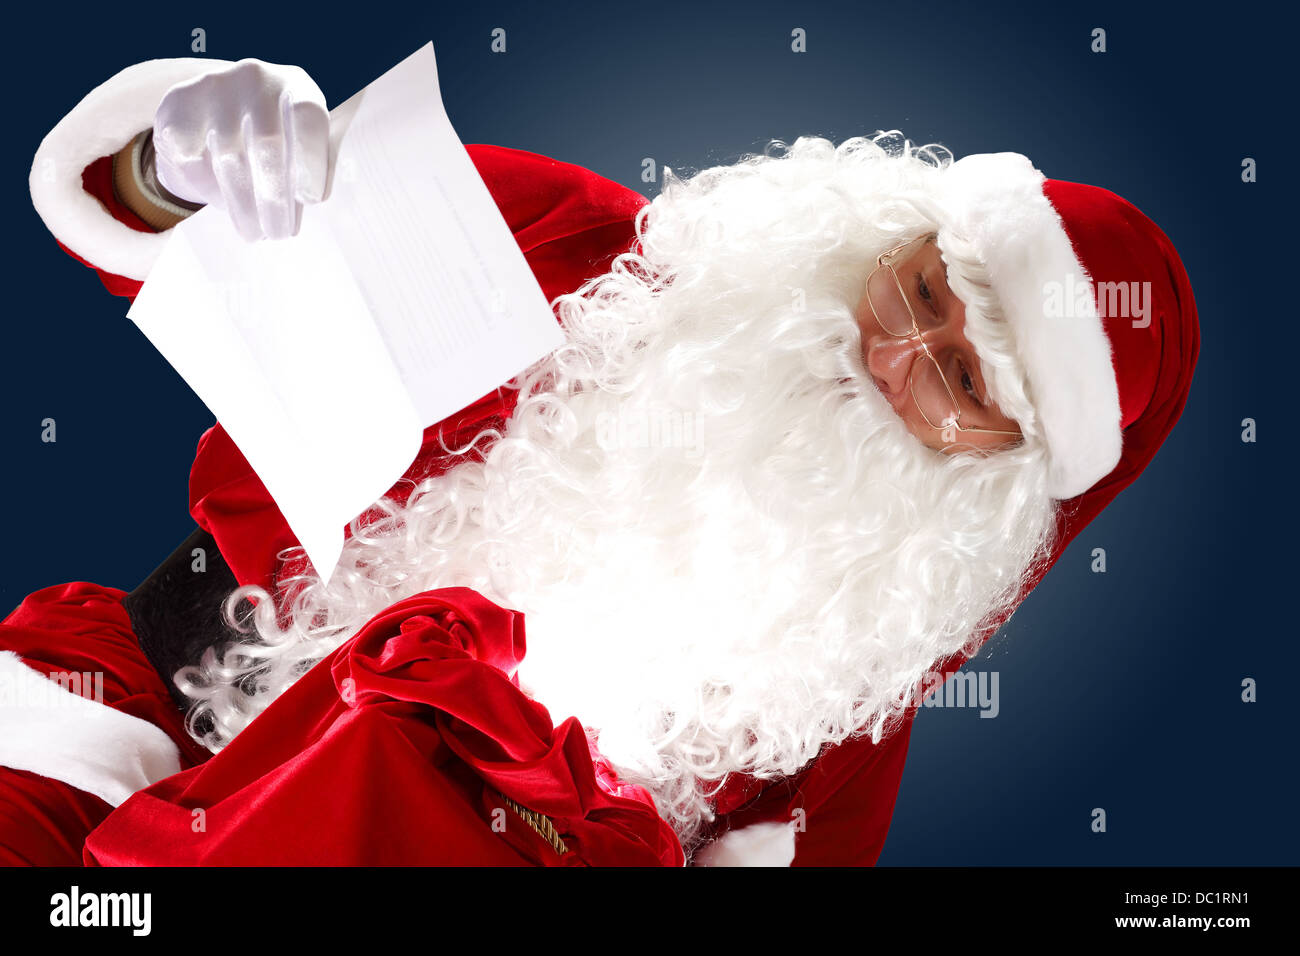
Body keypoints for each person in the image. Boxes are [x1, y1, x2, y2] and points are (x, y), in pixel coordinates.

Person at [2, 56, 1199, 866]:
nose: (893, 355)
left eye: (961, 381)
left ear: (989, 467)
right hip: (114, 716)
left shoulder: (834, 715)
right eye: (921, 287)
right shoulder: (563, 245)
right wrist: (179, 162)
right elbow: (170, 241)